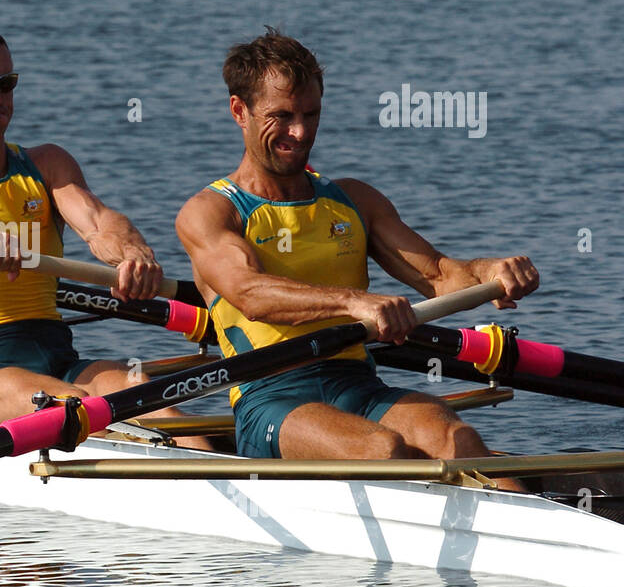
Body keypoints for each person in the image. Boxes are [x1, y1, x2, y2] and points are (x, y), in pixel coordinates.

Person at [175, 28, 538, 470]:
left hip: (357, 386)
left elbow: (441, 276)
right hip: (270, 397)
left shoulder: (353, 201)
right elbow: (251, 295)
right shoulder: (210, 213)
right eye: (282, 115)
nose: (300, 130)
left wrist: (491, 274)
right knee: (380, 450)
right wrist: (353, 301)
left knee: (456, 439)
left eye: (311, 114)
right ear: (240, 111)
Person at [0, 21, 208, 443]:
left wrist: (133, 254)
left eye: (5, 83)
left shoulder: (46, 165)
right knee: (77, 408)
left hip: (60, 356)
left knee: (159, 407)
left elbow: (100, 223)